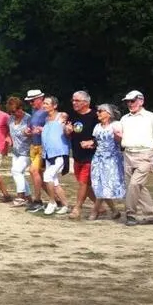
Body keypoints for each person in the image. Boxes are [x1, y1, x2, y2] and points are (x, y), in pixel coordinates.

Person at [119, 90, 153, 226]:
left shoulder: (152, 117)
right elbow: (121, 137)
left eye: (132, 101)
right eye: (127, 102)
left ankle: (130, 214)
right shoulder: (124, 118)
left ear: (141, 101)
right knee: (137, 187)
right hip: (128, 154)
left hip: (145, 154)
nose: (130, 104)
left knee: (134, 185)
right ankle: (152, 216)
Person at [65, 91, 98, 219]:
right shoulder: (72, 115)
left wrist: (92, 142)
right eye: (73, 100)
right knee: (85, 184)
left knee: (83, 183)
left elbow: (103, 134)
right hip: (77, 155)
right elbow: (69, 134)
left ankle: (77, 208)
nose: (74, 103)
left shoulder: (95, 116)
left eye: (77, 100)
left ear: (86, 102)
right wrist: (67, 132)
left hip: (91, 155)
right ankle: (101, 206)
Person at [90, 104, 124, 220]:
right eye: (98, 111)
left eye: (100, 111)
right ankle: (114, 211)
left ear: (108, 113)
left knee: (105, 184)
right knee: (98, 184)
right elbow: (97, 142)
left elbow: (122, 141)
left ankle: (95, 211)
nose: (97, 113)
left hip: (111, 159)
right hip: (98, 158)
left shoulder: (116, 125)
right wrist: (90, 144)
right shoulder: (97, 126)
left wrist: (119, 136)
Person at [23, 90, 53, 214]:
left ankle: (38, 200)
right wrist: (27, 131)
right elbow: (30, 127)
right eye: (29, 101)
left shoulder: (47, 112)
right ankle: (56, 200)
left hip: (43, 147)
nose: (31, 103)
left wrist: (42, 130)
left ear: (41, 98)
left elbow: (53, 127)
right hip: (34, 146)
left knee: (33, 171)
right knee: (40, 176)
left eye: (32, 101)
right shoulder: (34, 112)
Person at [40, 96, 70, 215]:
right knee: (54, 181)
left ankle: (52, 202)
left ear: (54, 106)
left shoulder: (61, 116)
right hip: (48, 153)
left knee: (47, 176)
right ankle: (65, 205)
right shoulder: (46, 119)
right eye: (44, 103)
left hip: (60, 153)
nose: (44, 105)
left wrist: (65, 126)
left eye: (47, 103)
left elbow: (65, 125)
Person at [5, 96, 32, 207]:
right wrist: (9, 138)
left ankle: (20, 196)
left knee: (16, 171)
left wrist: (30, 133)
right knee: (19, 173)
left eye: (15, 111)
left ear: (20, 108)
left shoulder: (29, 119)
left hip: (27, 151)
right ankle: (29, 198)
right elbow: (9, 132)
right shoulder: (10, 119)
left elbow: (35, 132)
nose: (14, 114)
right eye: (11, 112)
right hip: (16, 151)